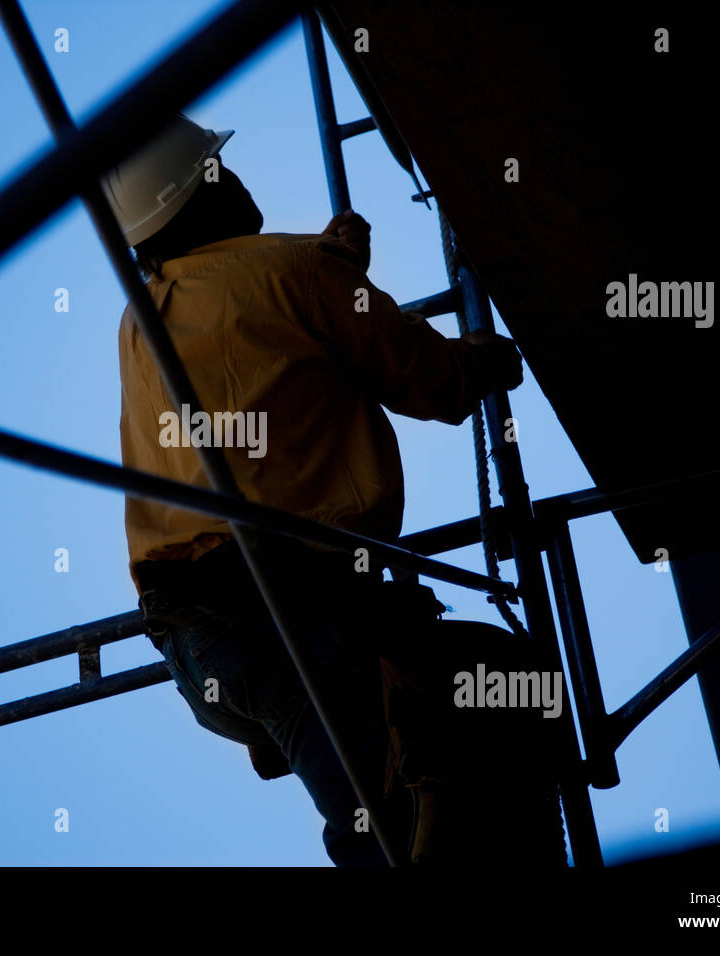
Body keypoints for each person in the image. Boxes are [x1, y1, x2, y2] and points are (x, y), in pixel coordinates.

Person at [102, 115, 526, 866]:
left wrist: (337, 280)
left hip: (200, 649)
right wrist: (488, 357)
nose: (234, 179)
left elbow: (252, 344)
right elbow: (432, 380)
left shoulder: (141, 324)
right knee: (407, 808)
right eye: (218, 172)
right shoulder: (296, 272)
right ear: (205, 189)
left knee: (424, 758)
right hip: (294, 612)